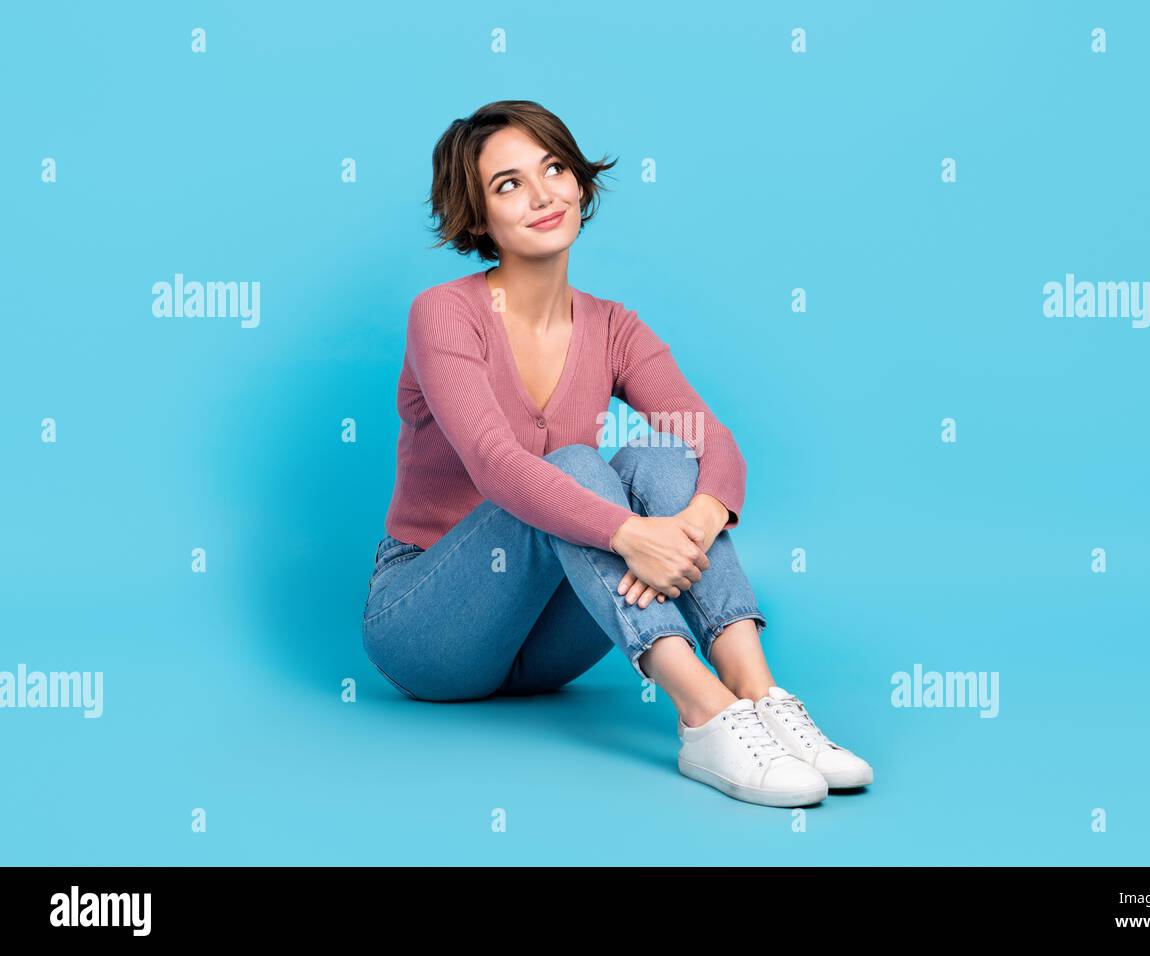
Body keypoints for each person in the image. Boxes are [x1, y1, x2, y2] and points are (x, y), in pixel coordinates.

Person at [361, 100, 873, 807]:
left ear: (579, 182)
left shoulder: (613, 326)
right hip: (430, 628)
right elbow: (494, 463)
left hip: (548, 644)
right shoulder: (443, 313)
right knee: (572, 465)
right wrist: (634, 534)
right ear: (478, 216)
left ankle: (758, 693)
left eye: (553, 169)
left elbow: (714, 445)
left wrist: (692, 524)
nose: (542, 194)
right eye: (509, 184)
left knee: (660, 464)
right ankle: (704, 714)